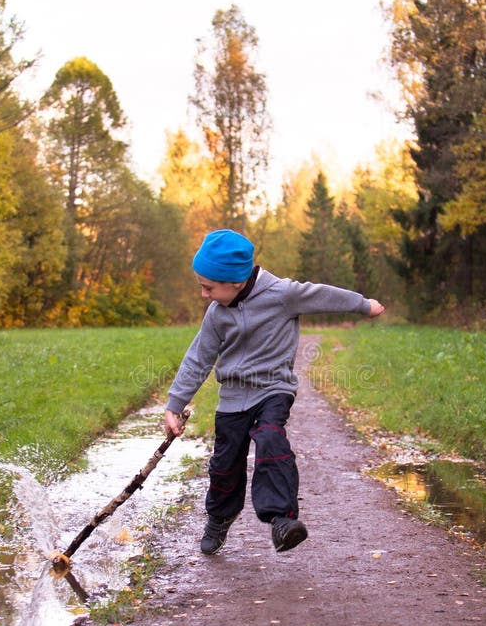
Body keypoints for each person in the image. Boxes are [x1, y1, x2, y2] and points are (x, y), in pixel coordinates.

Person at [164, 228, 385, 556]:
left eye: (208, 287)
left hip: (273, 390)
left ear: (235, 282)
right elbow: (199, 356)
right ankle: (220, 517)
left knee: (270, 438)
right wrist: (175, 403)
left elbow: (323, 294)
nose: (204, 295)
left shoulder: (282, 294)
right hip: (233, 399)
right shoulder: (216, 314)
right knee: (226, 463)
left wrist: (363, 305)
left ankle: (281, 519)